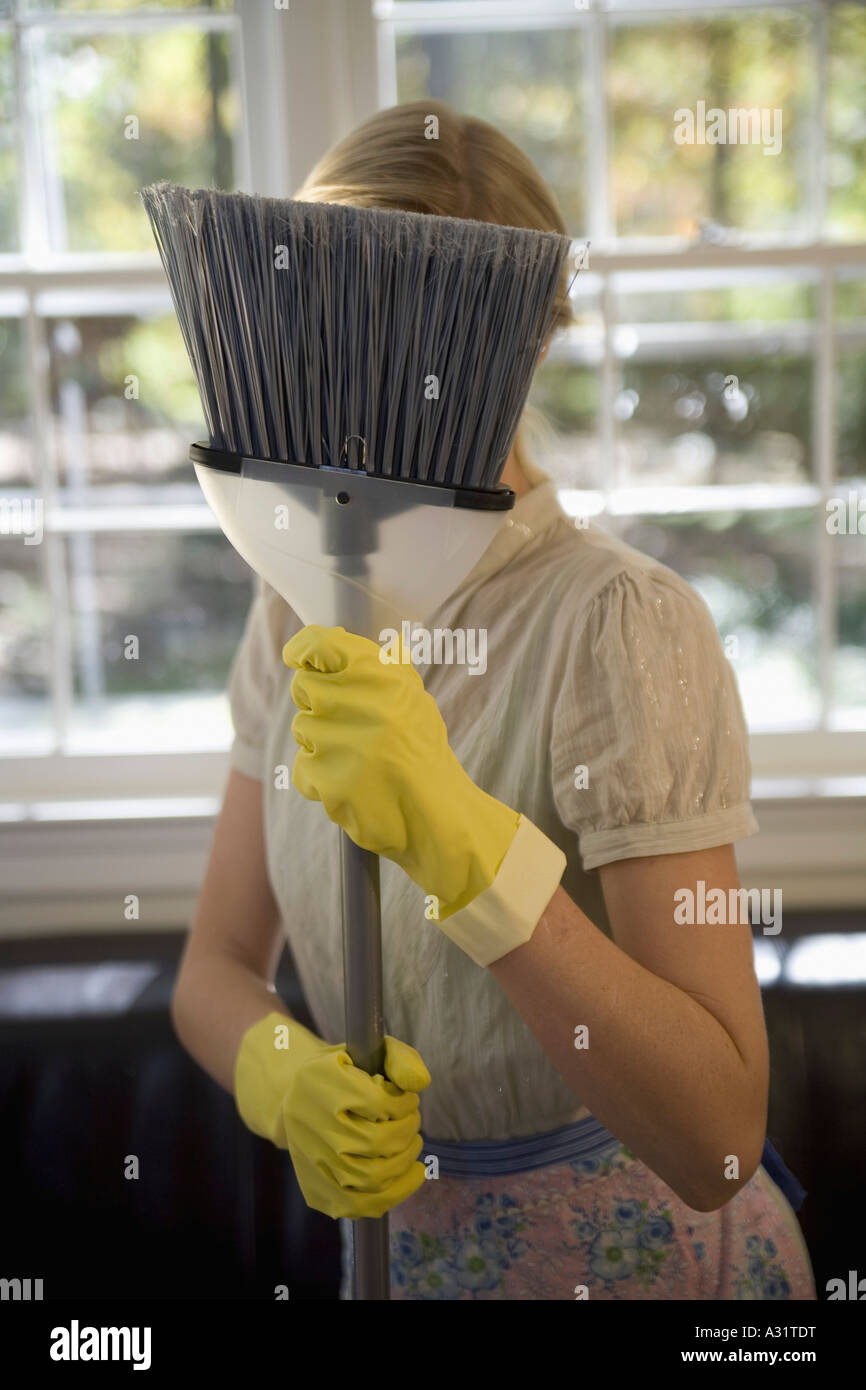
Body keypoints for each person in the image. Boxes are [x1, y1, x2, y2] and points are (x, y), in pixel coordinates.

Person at [171, 99, 816, 1301]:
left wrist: (469, 850)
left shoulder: (618, 622)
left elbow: (716, 1137)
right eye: (328, 315)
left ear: (511, 343)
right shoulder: (290, 613)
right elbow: (214, 964)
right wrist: (279, 1071)